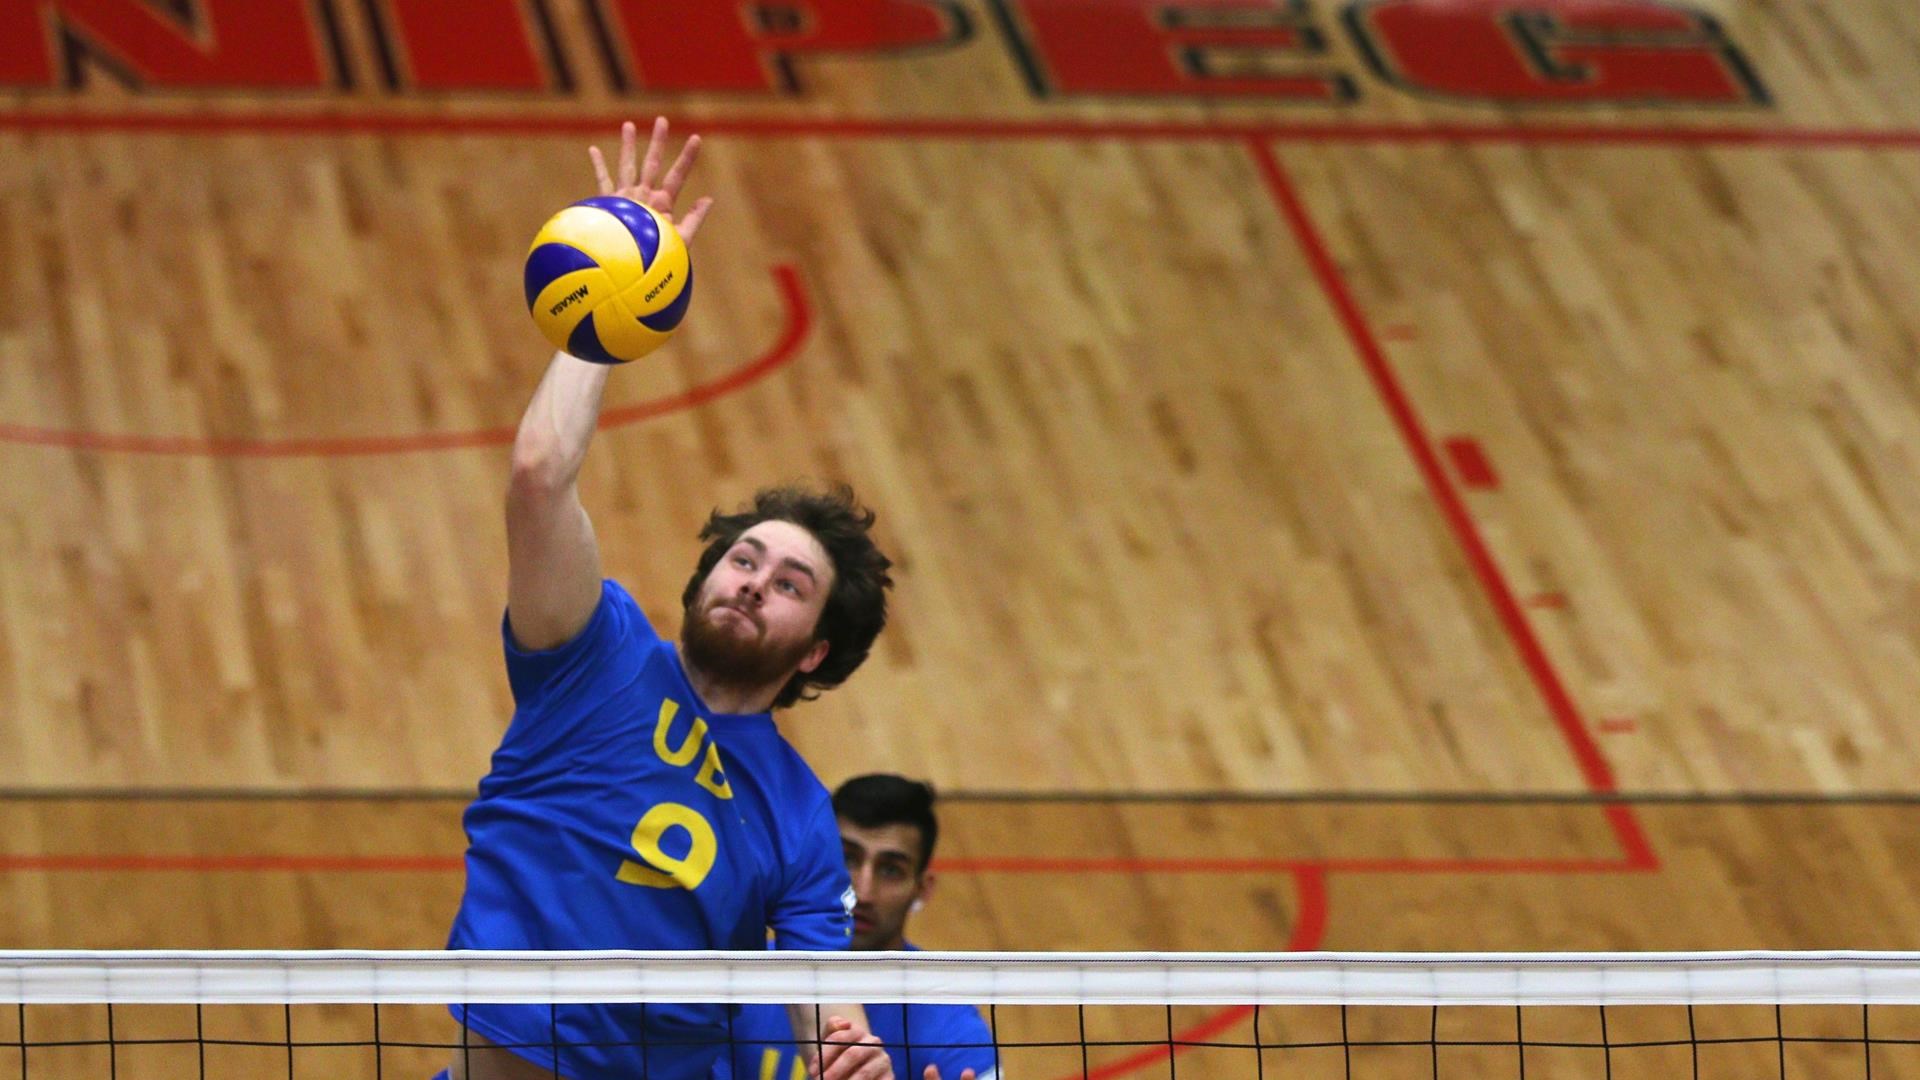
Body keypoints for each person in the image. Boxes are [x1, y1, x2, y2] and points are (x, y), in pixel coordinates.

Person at [438, 118, 896, 1080]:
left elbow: (827, 1010)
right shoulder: (592, 659)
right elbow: (536, 474)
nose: (751, 580)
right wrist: (613, 302)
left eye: (788, 585)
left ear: (813, 650)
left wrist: (853, 1060)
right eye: (744, 557)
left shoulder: (800, 819)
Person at [723, 776, 998, 1080]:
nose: (862, 893)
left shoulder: (953, 1031)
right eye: (847, 859)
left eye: (891, 870)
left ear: (922, 888)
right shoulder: (738, 981)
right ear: (818, 863)